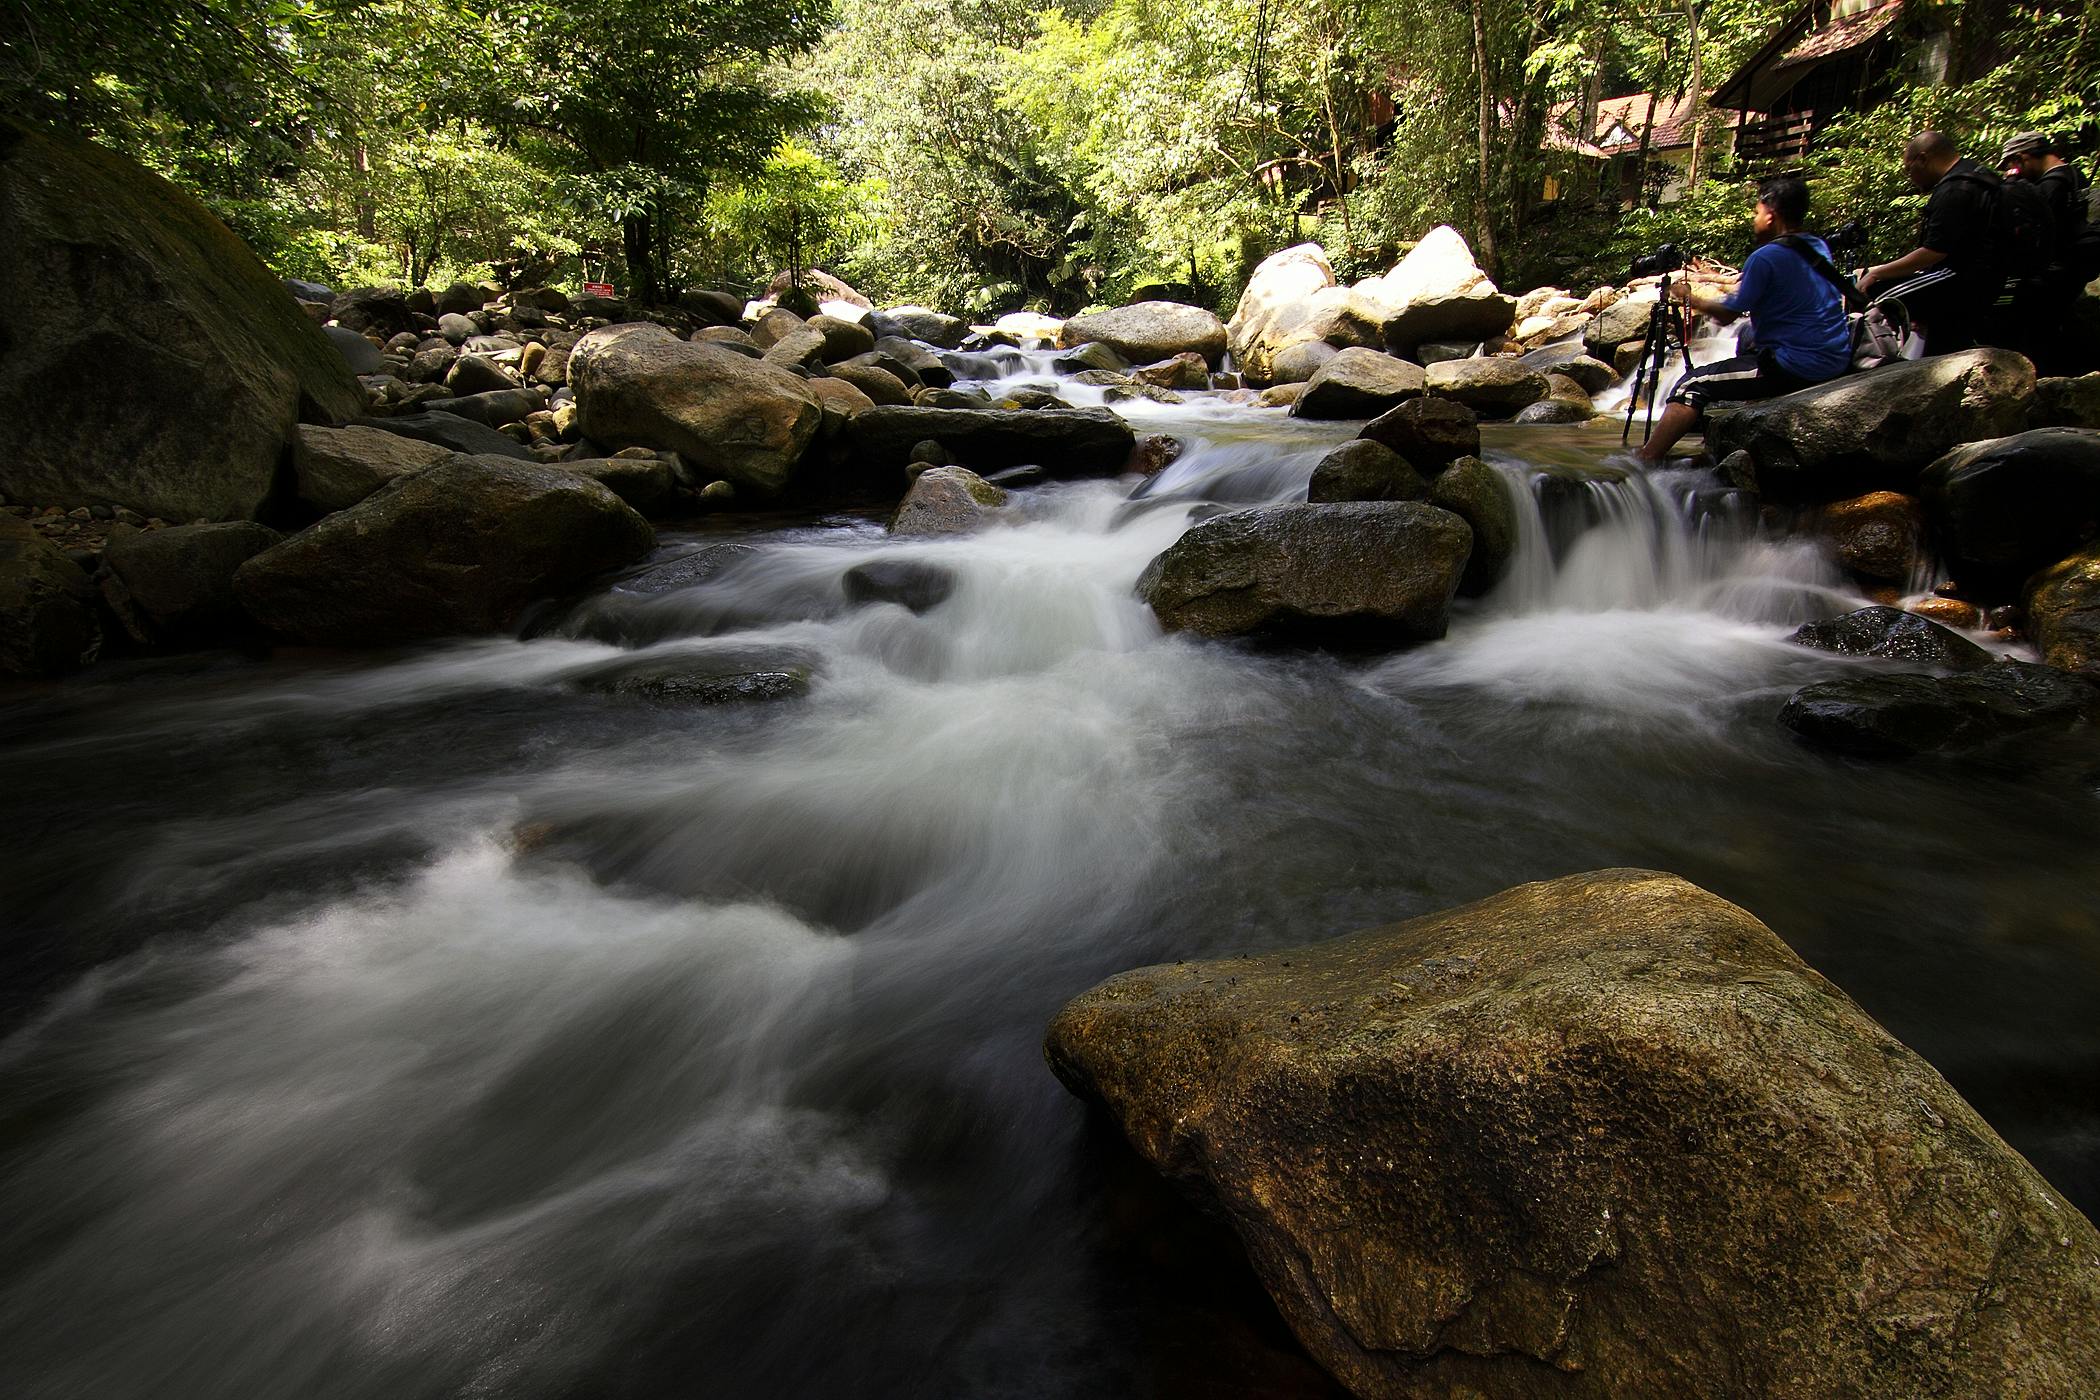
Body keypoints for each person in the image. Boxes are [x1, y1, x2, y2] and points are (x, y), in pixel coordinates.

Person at [1636, 176, 1851, 463]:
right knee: (1748, 333)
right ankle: (1755, 409)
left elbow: (1727, 315)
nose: (1755, 219)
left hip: (1798, 365)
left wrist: (1689, 298)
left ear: (1771, 216)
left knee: (1690, 384)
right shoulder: (1817, 247)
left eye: (1756, 213)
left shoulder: (1766, 257)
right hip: (1835, 355)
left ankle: (1647, 457)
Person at [1859, 131, 2005, 356]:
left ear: (1923, 159)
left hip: (1964, 277)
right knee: (1945, 344)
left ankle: (1873, 360)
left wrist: (1877, 273)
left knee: (1881, 293)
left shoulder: (1955, 189)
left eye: (1909, 169)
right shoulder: (1979, 174)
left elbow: (1934, 252)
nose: (1910, 177)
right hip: (1988, 276)